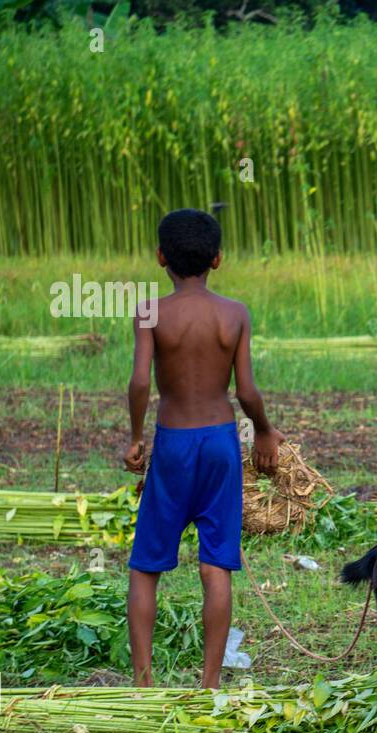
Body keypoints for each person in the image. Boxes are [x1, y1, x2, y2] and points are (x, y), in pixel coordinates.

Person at [123, 208, 283, 688]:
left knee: (145, 566)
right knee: (216, 564)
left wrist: (136, 438)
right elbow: (247, 391)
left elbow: (138, 381)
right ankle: (209, 684)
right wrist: (265, 430)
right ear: (217, 259)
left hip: (172, 443)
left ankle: (144, 683)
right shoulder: (234, 313)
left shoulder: (150, 311)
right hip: (219, 443)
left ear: (159, 258)